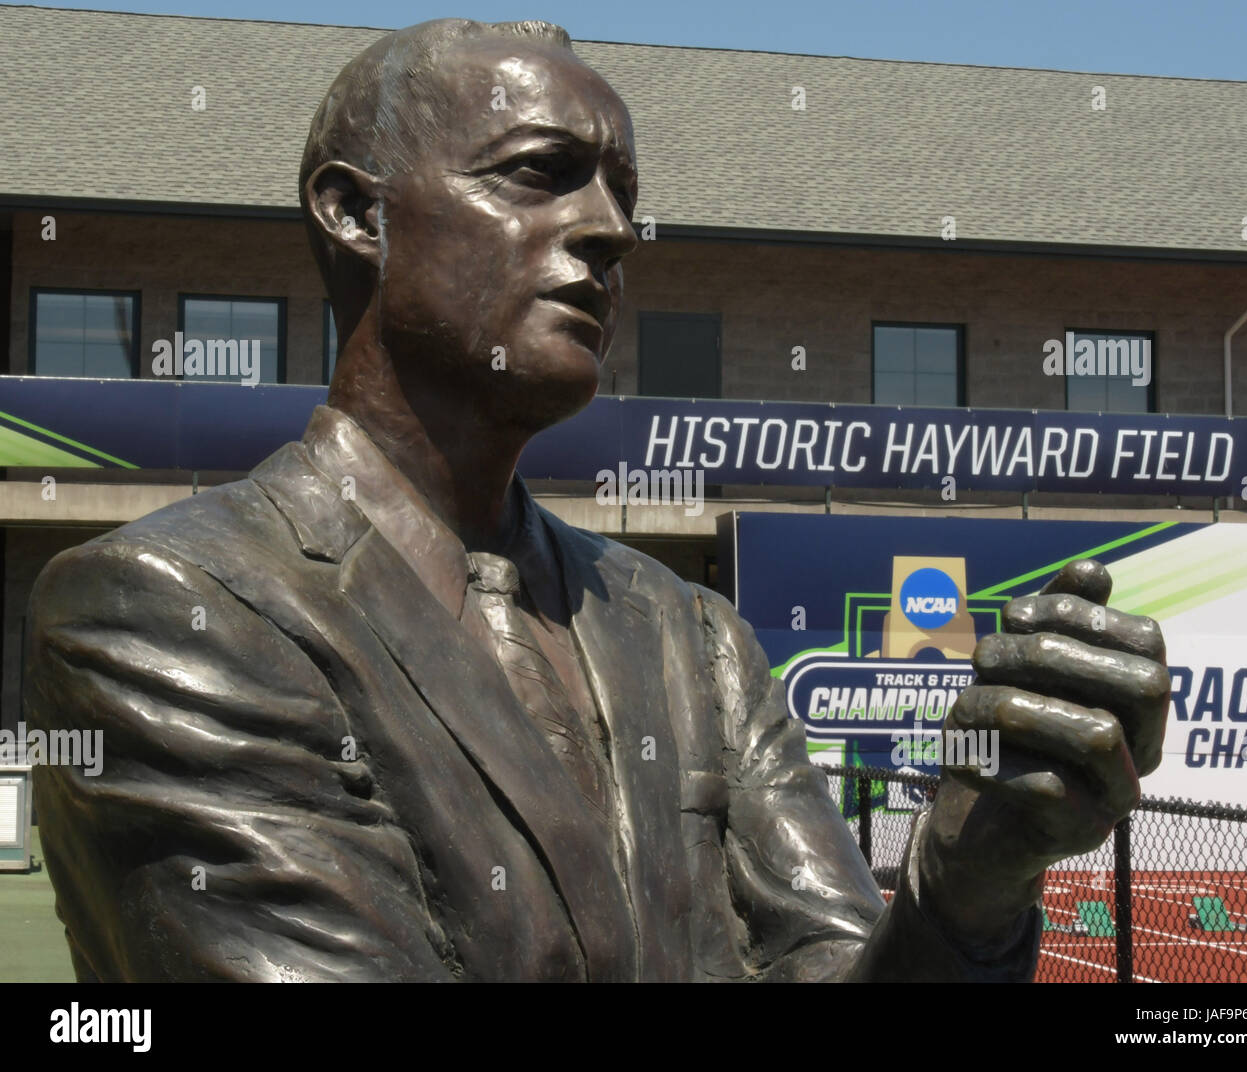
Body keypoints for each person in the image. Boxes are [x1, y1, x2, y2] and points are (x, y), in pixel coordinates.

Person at [23, 17, 1169, 982]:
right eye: (538, 171)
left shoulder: (691, 636)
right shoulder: (170, 603)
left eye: (619, 192)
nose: (611, 230)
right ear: (355, 214)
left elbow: (832, 962)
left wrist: (963, 883)